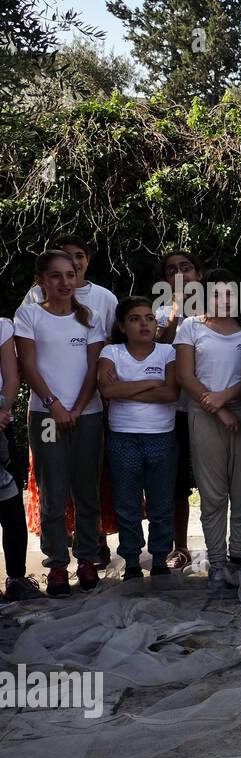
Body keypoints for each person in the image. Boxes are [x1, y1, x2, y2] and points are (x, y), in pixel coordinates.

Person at [15, 250, 106, 595]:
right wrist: (54, 406)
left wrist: (79, 407)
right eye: (56, 276)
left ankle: (85, 559)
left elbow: (94, 369)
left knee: (87, 490)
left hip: (88, 415)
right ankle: (56, 565)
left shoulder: (91, 317)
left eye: (70, 275)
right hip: (46, 416)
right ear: (41, 281)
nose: (65, 282)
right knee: (52, 490)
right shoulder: (28, 315)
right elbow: (29, 367)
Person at [174, 268, 241, 596]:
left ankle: (238, 559)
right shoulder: (191, 327)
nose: (224, 300)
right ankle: (217, 563)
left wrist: (228, 399)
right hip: (205, 413)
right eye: (217, 294)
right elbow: (185, 376)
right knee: (213, 494)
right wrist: (218, 407)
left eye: (230, 294)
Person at [97, 297, 179, 579]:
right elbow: (108, 391)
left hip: (162, 437)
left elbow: (171, 393)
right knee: (127, 503)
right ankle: (131, 560)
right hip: (123, 437)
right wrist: (151, 383)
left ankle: (159, 558)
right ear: (122, 325)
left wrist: (125, 387)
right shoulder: (112, 352)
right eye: (135, 318)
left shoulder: (167, 352)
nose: (144, 324)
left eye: (149, 318)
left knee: (161, 503)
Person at [155, 250, 203, 569]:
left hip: (208, 407)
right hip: (173, 410)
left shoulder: (219, 308)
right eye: (172, 269)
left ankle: (226, 548)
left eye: (185, 267)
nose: (179, 273)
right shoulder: (158, 312)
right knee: (174, 484)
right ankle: (179, 547)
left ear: (198, 274)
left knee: (216, 479)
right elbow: (160, 348)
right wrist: (176, 306)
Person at [0, 315, 40, 601]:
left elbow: (12, 377)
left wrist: (3, 409)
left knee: (11, 508)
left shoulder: (2, 326)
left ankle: (16, 578)